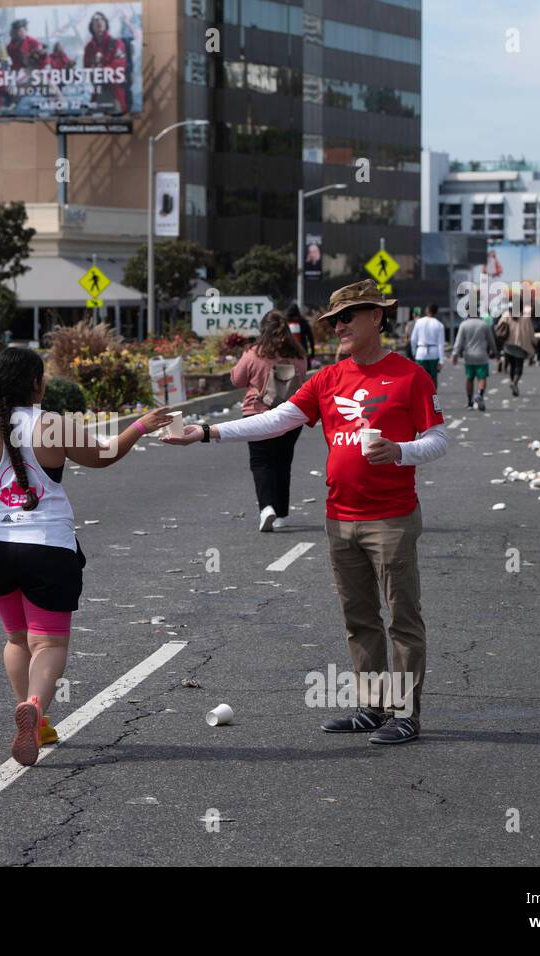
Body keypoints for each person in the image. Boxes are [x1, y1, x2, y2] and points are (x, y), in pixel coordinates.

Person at [164, 279, 447, 744]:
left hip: (392, 517)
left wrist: (400, 451)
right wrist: (208, 431)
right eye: (334, 320)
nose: (338, 327)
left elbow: (439, 440)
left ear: (377, 316)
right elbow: (276, 420)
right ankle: (372, 708)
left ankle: (406, 715)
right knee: (359, 619)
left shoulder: (410, 376)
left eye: (348, 317)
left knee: (402, 619)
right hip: (340, 517)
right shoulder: (328, 379)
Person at [0, 348, 171, 766]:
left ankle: (34, 720)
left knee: (15, 637)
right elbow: (104, 455)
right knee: (48, 642)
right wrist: (140, 425)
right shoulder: (54, 425)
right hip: (47, 548)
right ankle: (35, 706)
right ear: (36, 383)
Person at [230, 311, 307, 532]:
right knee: (283, 463)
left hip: (257, 413)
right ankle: (282, 513)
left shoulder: (254, 353)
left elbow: (237, 379)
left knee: (261, 462)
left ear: (262, 330)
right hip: (289, 415)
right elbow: (303, 376)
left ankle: (266, 508)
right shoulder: (298, 354)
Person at [450, 310, 497, 411]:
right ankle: (479, 394)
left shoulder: (463, 325)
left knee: (469, 378)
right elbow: (491, 340)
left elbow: (459, 341)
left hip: (468, 356)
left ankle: (470, 402)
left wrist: (455, 354)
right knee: (482, 377)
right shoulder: (484, 325)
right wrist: (495, 352)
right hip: (482, 355)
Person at [83, 11, 128, 113]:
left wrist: (101, 69)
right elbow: (87, 69)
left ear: (106, 23)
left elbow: (120, 65)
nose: (99, 22)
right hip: (98, 94)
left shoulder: (117, 43)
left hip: (115, 93)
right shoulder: (89, 47)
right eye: (96, 20)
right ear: (92, 26)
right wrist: (93, 66)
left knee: (118, 123)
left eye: (102, 19)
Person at [494, 305, 534, 396]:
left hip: (508, 345)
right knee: (519, 367)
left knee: (512, 366)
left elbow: (499, 326)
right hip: (520, 345)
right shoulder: (525, 317)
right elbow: (530, 332)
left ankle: (513, 382)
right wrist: (534, 341)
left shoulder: (506, 315)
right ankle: (514, 383)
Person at [410, 303, 445, 386]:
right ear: (436, 312)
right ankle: (434, 397)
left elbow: (413, 339)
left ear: (427, 310)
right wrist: (441, 360)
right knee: (433, 377)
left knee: (421, 377)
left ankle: (421, 397)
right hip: (434, 353)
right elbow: (441, 343)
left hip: (421, 352)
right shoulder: (439, 324)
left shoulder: (419, 322)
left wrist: (414, 352)